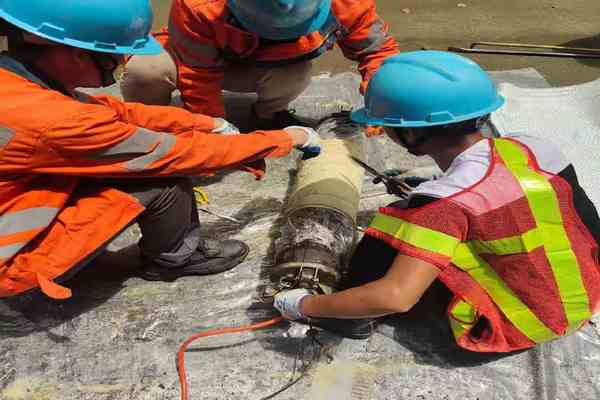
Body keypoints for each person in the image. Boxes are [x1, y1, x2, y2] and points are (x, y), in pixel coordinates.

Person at [273, 51, 600, 352]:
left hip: (508, 327)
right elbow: (584, 223)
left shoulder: (440, 206)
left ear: (412, 133)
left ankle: (348, 318)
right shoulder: (534, 149)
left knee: (390, 230)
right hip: (583, 297)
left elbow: (396, 297)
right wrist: (436, 183)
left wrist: (301, 305)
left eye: (389, 125)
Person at [0, 0, 321, 300]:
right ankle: (175, 259)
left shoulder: (19, 86)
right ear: (70, 52)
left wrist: (206, 124)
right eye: (113, 58)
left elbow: (118, 113)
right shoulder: (57, 123)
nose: (118, 71)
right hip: (11, 259)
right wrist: (283, 140)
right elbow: (173, 154)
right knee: (162, 181)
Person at [120, 0, 400, 131]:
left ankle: (267, 117)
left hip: (277, 65)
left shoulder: (350, 3)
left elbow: (378, 51)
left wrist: (382, 104)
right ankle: (152, 126)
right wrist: (212, 129)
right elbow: (198, 75)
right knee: (146, 70)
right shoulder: (199, 6)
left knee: (296, 73)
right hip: (198, 59)